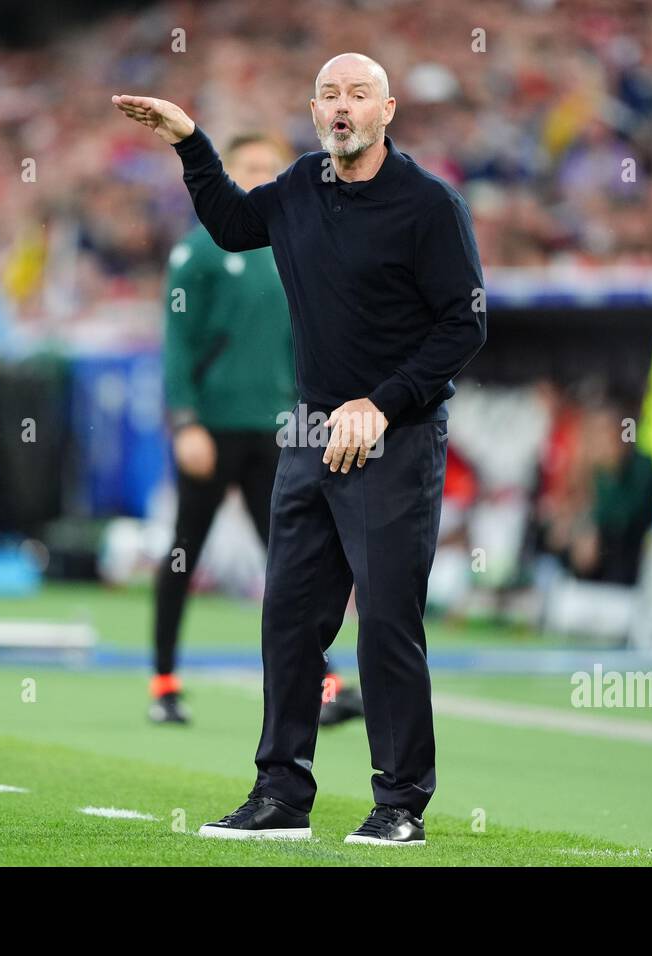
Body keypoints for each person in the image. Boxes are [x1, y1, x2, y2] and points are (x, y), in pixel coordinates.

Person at [112, 50, 486, 845]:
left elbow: (466, 322)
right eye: (328, 94)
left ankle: (400, 804)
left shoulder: (429, 205)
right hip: (308, 434)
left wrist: (382, 405)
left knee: (385, 621)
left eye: (358, 94)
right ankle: (280, 794)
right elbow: (230, 222)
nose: (342, 106)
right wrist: (189, 140)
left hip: (396, 436)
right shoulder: (295, 191)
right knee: (287, 619)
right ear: (314, 114)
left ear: (388, 111)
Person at [151, 131, 364, 728]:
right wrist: (185, 420)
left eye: (272, 167)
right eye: (249, 166)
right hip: (212, 431)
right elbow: (176, 343)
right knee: (182, 555)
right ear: (227, 171)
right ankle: (164, 683)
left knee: (296, 562)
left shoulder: (296, 250)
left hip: (278, 432)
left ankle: (321, 686)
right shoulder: (199, 251)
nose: (262, 175)